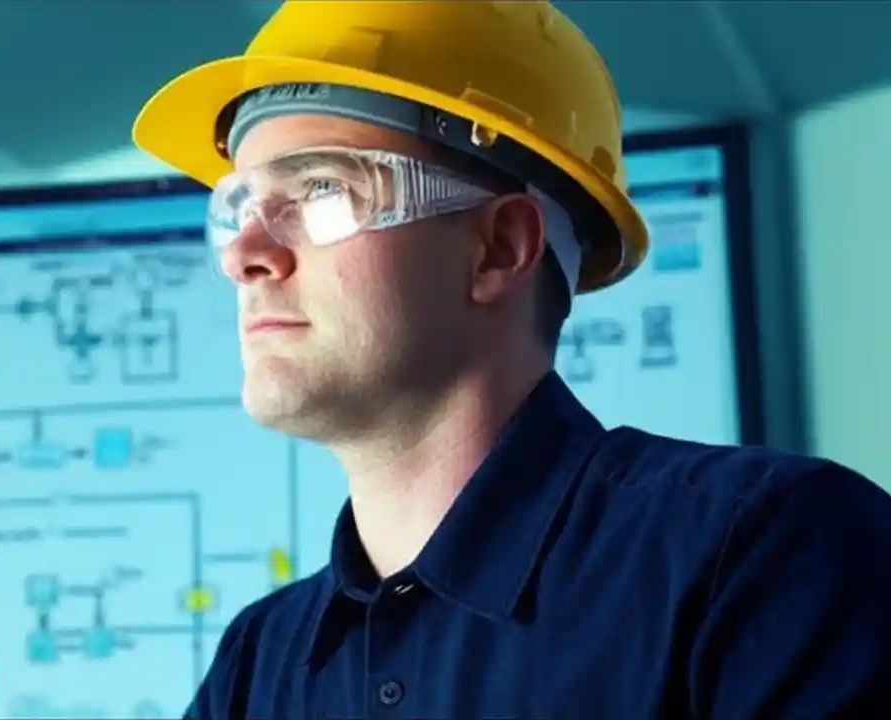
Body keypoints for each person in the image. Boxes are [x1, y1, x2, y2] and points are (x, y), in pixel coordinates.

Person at [132, 1, 891, 718]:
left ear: (500, 248)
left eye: (325, 190)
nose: (246, 255)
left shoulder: (761, 554)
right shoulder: (258, 666)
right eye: (241, 208)